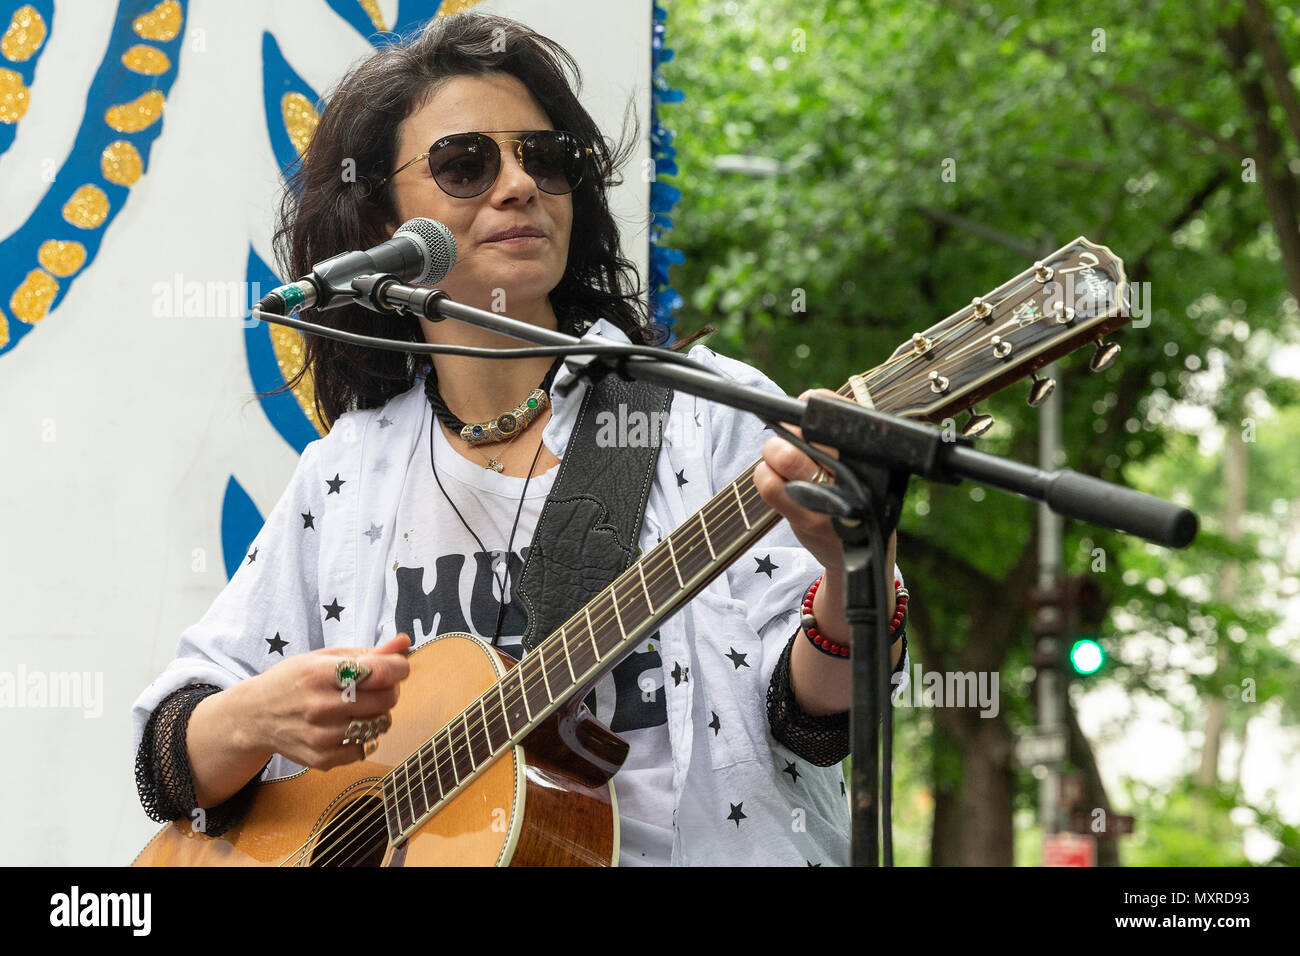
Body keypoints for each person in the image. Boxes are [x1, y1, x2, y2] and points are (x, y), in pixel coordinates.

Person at [131, 12, 908, 866]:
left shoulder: (701, 411)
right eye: (466, 164)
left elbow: (818, 725)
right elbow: (170, 761)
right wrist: (255, 717)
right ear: (380, 225)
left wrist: (847, 569)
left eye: (547, 159)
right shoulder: (349, 473)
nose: (518, 186)